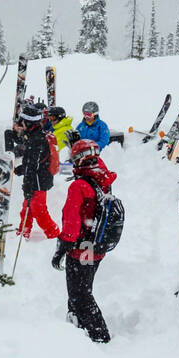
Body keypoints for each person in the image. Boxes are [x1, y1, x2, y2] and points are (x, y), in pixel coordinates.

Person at [52, 137, 117, 343]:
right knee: (83, 289)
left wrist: (60, 250)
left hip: (81, 247)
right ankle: (77, 326)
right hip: (95, 245)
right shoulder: (102, 179)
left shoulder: (79, 186)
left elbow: (71, 222)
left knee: (80, 294)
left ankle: (99, 335)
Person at [13, 100, 60, 239]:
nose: (20, 125)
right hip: (38, 178)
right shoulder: (35, 136)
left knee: (39, 211)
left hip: (38, 181)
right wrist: (22, 169)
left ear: (28, 123)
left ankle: (54, 234)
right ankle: (23, 232)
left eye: (22, 122)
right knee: (27, 208)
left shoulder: (36, 140)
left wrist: (27, 185)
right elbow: (32, 162)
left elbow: (33, 166)